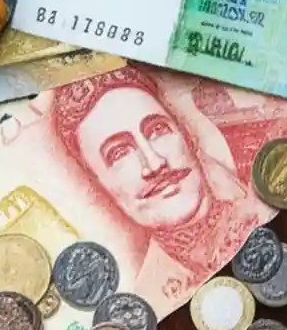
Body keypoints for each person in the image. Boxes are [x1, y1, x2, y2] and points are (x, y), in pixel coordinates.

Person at [50, 67, 268, 301]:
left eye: (157, 130)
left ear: (185, 134)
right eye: (120, 152)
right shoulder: (147, 298)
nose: (154, 163)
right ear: (98, 184)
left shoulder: (262, 196)